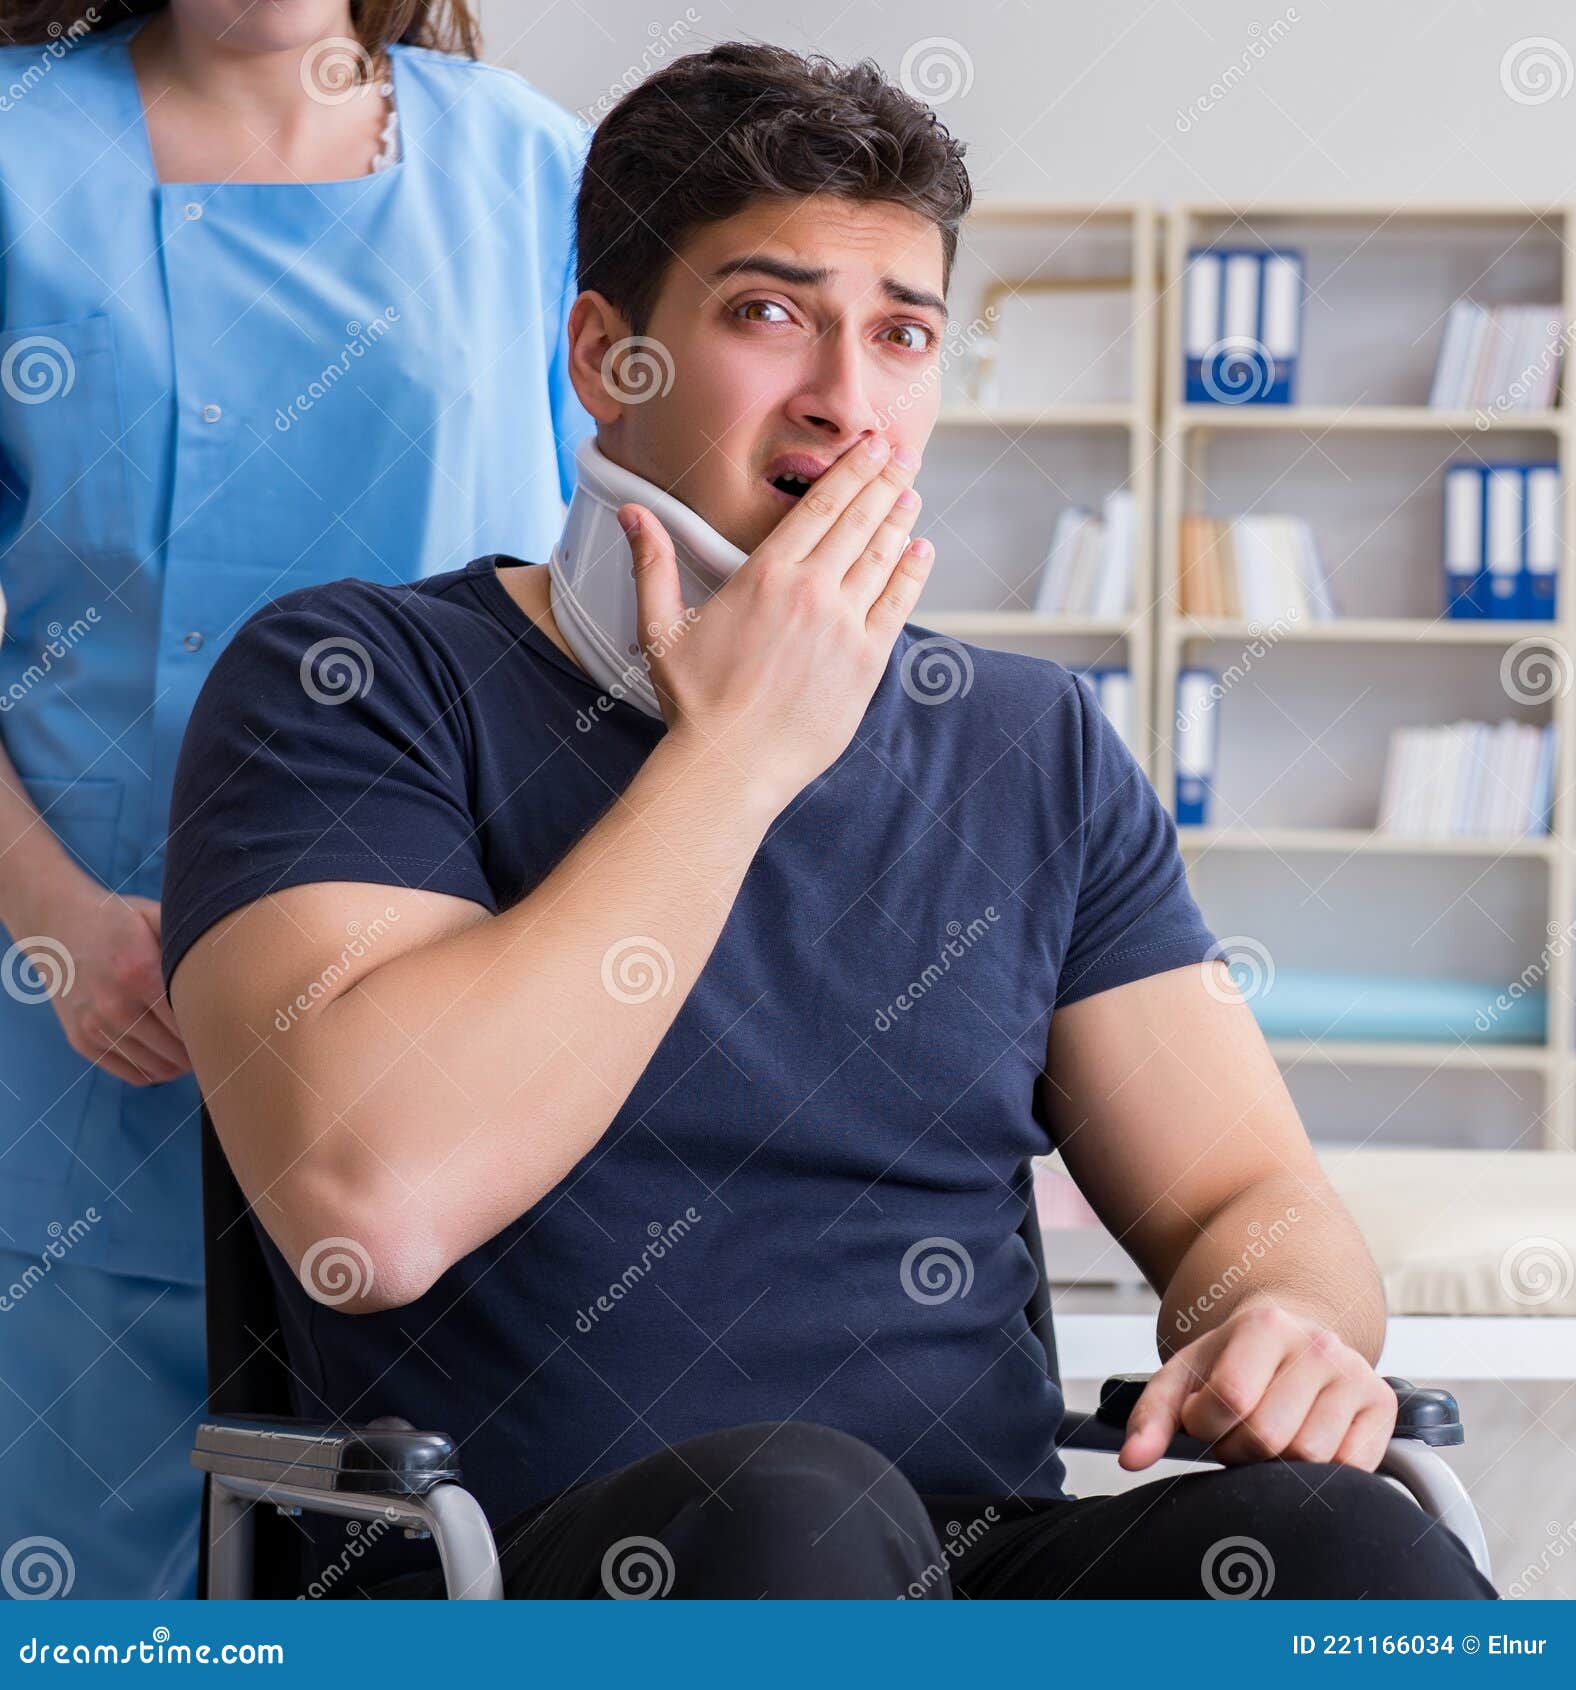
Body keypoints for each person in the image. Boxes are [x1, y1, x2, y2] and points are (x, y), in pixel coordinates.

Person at [159, 42, 1496, 1600]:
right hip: (528, 1575)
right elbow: (368, 1203)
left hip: (965, 1565)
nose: (846, 398)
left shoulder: (1030, 744)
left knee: (1348, 1543)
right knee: (795, 1514)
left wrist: (1290, 1321)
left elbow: (1243, 1198)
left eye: (903, 333)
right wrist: (735, 756)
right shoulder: (351, 684)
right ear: (608, 358)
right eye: (768, 313)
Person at [0, 0, 592, 1597]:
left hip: (446, 1008)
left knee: (435, 1547)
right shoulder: (12, 150)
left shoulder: (526, 166)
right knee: (94, 1576)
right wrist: (51, 914)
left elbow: (610, 590)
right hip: (89, 1002)